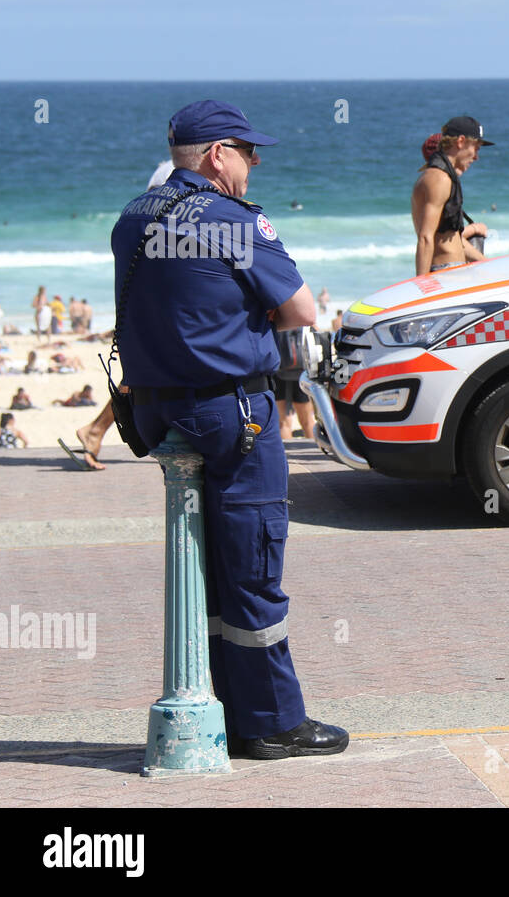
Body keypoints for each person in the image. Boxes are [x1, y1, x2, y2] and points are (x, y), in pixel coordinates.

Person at [113, 99, 346, 759]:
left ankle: (226, 705)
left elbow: (172, 298)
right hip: (231, 413)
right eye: (247, 152)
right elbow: (298, 308)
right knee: (252, 562)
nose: (255, 163)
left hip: (160, 410)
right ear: (217, 155)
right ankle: (271, 721)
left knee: (209, 566)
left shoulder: (133, 217)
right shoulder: (231, 219)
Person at [410, 115, 493, 275]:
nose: (476, 157)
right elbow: (425, 238)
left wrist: (488, 265)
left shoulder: (444, 176)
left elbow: (450, 239)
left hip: (454, 270)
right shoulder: (438, 178)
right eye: (475, 148)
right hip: (445, 273)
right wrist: (421, 285)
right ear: (461, 141)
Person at [274, 327, 315, 439]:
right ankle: (312, 454)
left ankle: (287, 456)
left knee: (282, 422)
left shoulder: (275, 314)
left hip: (278, 371)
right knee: (307, 421)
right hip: (302, 373)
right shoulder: (303, 319)